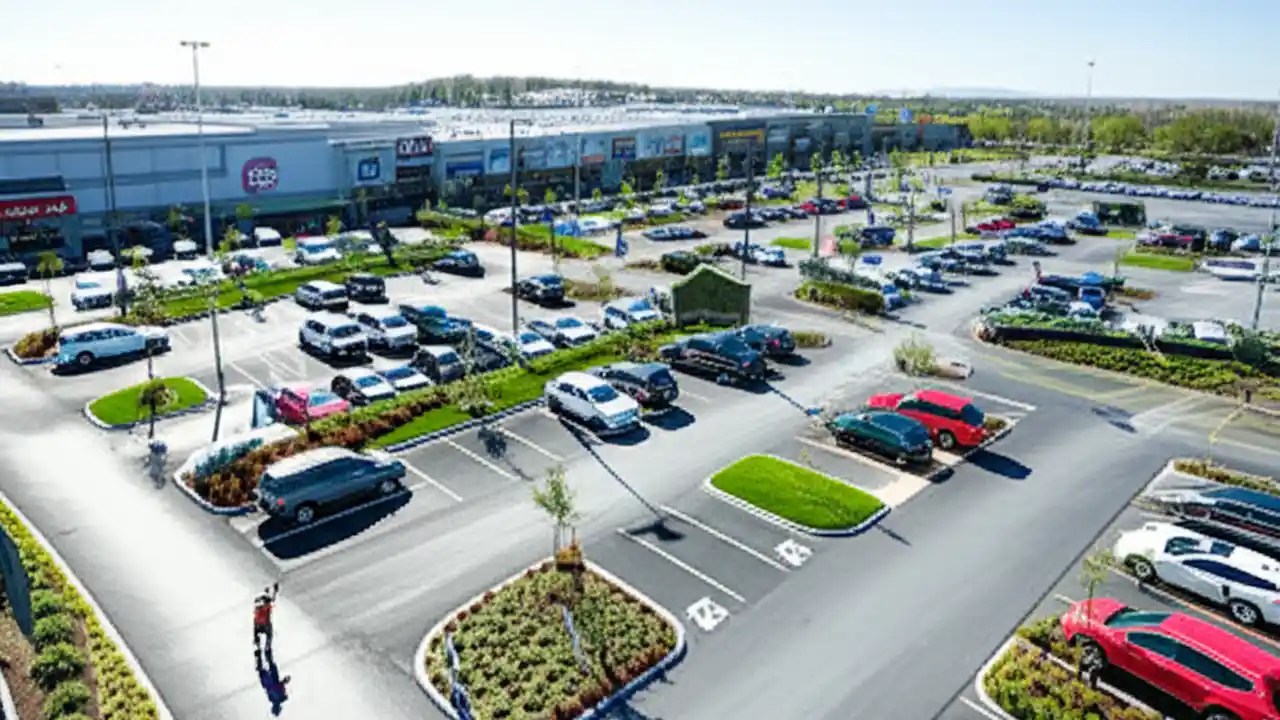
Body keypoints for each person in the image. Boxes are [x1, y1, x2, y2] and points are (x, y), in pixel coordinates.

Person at [255, 645, 291, 716]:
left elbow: (273, 689)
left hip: (269, 681)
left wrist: (283, 682)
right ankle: (263, 652)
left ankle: (261, 652)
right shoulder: (278, 698)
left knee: (264, 668)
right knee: (268, 666)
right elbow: (277, 688)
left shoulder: (275, 698)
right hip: (272, 680)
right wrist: (283, 682)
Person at [253, 583, 279, 651]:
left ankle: (257, 642)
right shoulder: (268, 605)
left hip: (257, 624)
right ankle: (267, 646)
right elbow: (272, 599)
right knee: (269, 634)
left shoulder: (257, 605)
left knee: (256, 630)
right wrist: (275, 591)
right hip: (265, 624)